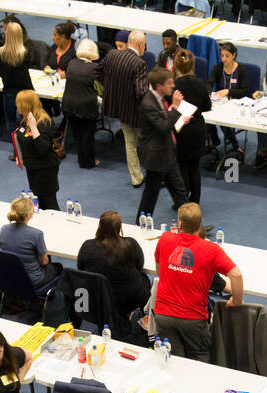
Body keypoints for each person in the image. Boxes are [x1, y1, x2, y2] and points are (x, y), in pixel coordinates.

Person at [152, 202, 244, 361]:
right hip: (193, 319)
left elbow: (159, 272)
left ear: (179, 223)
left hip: (163, 315)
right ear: (200, 224)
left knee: (174, 361)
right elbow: (236, 275)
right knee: (199, 361)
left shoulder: (165, 239)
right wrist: (236, 300)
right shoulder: (211, 250)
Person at [135, 67, 188, 224]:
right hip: (156, 156)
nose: (173, 86)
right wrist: (176, 108)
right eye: (170, 83)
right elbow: (164, 127)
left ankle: (192, 225)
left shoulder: (157, 99)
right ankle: (141, 223)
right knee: (151, 194)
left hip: (166, 153)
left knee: (180, 192)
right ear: (159, 86)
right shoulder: (148, 103)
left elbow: (164, 123)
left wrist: (178, 119)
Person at [76, 210, 151, 318]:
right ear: (119, 227)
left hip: (97, 298)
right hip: (127, 300)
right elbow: (139, 266)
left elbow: (81, 270)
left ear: (100, 226)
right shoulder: (130, 244)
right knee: (144, 278)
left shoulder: (87, 246)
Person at [100, 30, 149, 189]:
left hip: (120, 110)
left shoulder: (112, 55)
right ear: (141, 44)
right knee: (149, 142)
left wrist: (110, 90)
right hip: (137, 113)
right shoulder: (139, 63)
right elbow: (141, 92)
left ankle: (136, 178)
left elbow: (98, 72)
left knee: (130, 143)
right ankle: (154, 174)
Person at [0, 194, 61, 296]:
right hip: (32, 279)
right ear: (29, 215)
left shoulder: (4, 229)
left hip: (10, 275)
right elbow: (44, 262)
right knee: (58, 267)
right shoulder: (36, 234)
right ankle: (46, 299)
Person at [172, 49, 210, 203]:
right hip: (197, 130)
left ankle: (183, 202)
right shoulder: (200, 83)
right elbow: (207, 106)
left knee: (182, 167)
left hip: (181, 130)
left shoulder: (174, 85)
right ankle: (195, 202)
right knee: (195, 168)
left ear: (175, 66)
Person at [0, 18, 36, 149]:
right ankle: (30, 145)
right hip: (26, 91)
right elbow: (29, 66)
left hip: (9, 91)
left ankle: (17, 148)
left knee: (11, 121)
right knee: (28, 120)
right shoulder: (25, 53)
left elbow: (0, 73)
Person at [206, 41, 251, 167]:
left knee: (223, 120)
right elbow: (209, 83)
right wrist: (208, 94)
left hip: (236, 103)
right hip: (221, 102)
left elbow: (245, 91)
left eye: (227, 56)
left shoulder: (240, 70)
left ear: (234, 55)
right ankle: (215, 140)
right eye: (222, 56)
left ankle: (235, 145)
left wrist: (228, 91)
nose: (224, 59)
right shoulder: (218, 68)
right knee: (207, 115)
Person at [16, 89, 60, 210]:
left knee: (49, 203)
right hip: (32, 167)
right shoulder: (25, 119)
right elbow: (20, 136)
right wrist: (18, 156)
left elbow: (43, 149)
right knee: (38, 201)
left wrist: (34, 128)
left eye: (18, 104)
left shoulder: (44, 122)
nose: (16, 107)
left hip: (45, 169)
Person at [63, 38, 101, 170]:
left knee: (77, 135)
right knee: (88, 135)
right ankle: (89, 162)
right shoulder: (95, 68)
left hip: (69, 104)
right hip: (86, 106)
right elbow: (101, 88)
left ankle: (81, 160)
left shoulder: (71, 63)